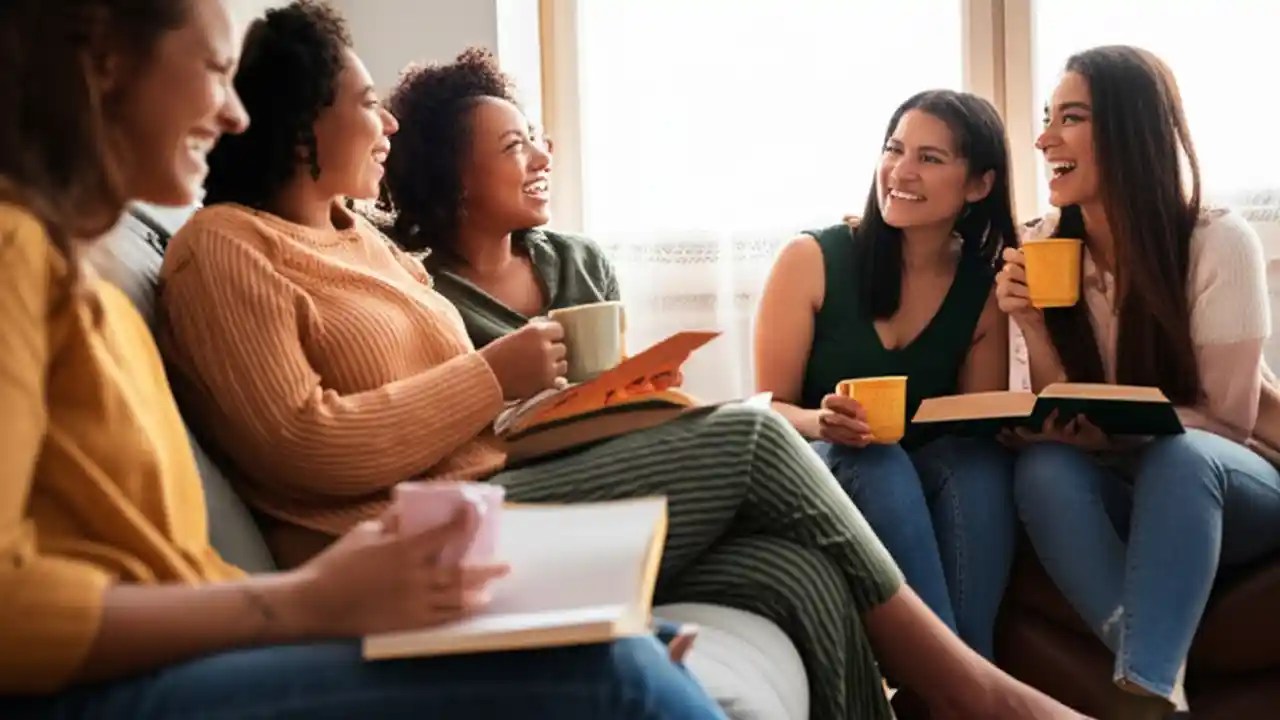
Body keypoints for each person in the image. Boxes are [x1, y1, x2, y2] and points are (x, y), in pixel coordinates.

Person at [150, 3, 1086, 719]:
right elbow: (300, 443)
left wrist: (616, 406)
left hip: (490, 488)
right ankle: (973, 692)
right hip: (406, 542)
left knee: (795, 574)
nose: (386, 127)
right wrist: (493, 376)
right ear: (301, 126)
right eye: (366, 106)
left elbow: (478, 424)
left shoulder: (363, 241)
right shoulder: (225, 247)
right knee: (756, 439)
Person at [0, 0, 734, 717]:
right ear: (105, 65)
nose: (233, 115)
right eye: (216, 72)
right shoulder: (23, 254)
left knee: (635, 641)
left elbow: (170, 568)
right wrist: (303, 604)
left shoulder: (78, 275)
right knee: (619, 670)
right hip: (110, 686)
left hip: (200, 646)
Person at [997, 44, 1280, 718]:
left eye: (1070, 118)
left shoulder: (1215, 241)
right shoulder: (1044, 244)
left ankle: (1146, 678)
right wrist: (1032, 325)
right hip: (1123, 475)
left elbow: (1230, 423)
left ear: (1131, 129)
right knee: (1043, 469)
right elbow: (1064, 399)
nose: (1044, 139)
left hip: (1227, 484)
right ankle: (1156, 690)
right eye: (1046, 118)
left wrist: (1115, 435)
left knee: (1180, 457)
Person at [755, 90, 1018, 659]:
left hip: (924, 473)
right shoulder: (811, 259)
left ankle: (962, 668)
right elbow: (765, 410)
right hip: (827, 468)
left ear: (979, 185)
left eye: (929, 158)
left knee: (978, 465)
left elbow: (975, 421)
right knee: (875, 457)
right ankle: (955, 676)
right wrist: (822, 422)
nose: (900, 171)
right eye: (894, 149)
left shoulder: (981, 287)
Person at [379, 47, 617, 349]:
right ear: (453, 178)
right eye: (514, 146)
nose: (543, 158)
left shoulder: (585, 262)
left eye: (533, 138)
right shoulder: (425, 298)